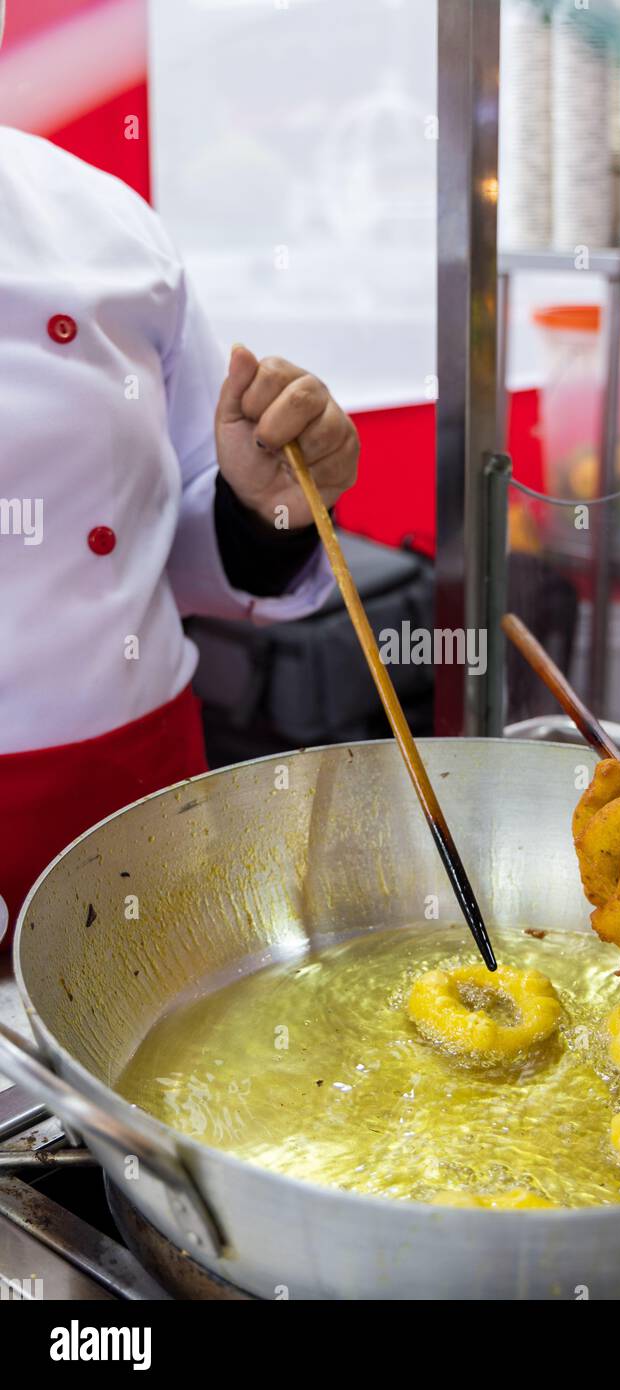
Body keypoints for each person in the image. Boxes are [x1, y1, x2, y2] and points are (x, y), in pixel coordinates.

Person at [0, 36, 359, 943]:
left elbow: (176, 533)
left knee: (157, 1072)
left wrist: (266, 507)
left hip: (129, 794)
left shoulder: (102, 224)